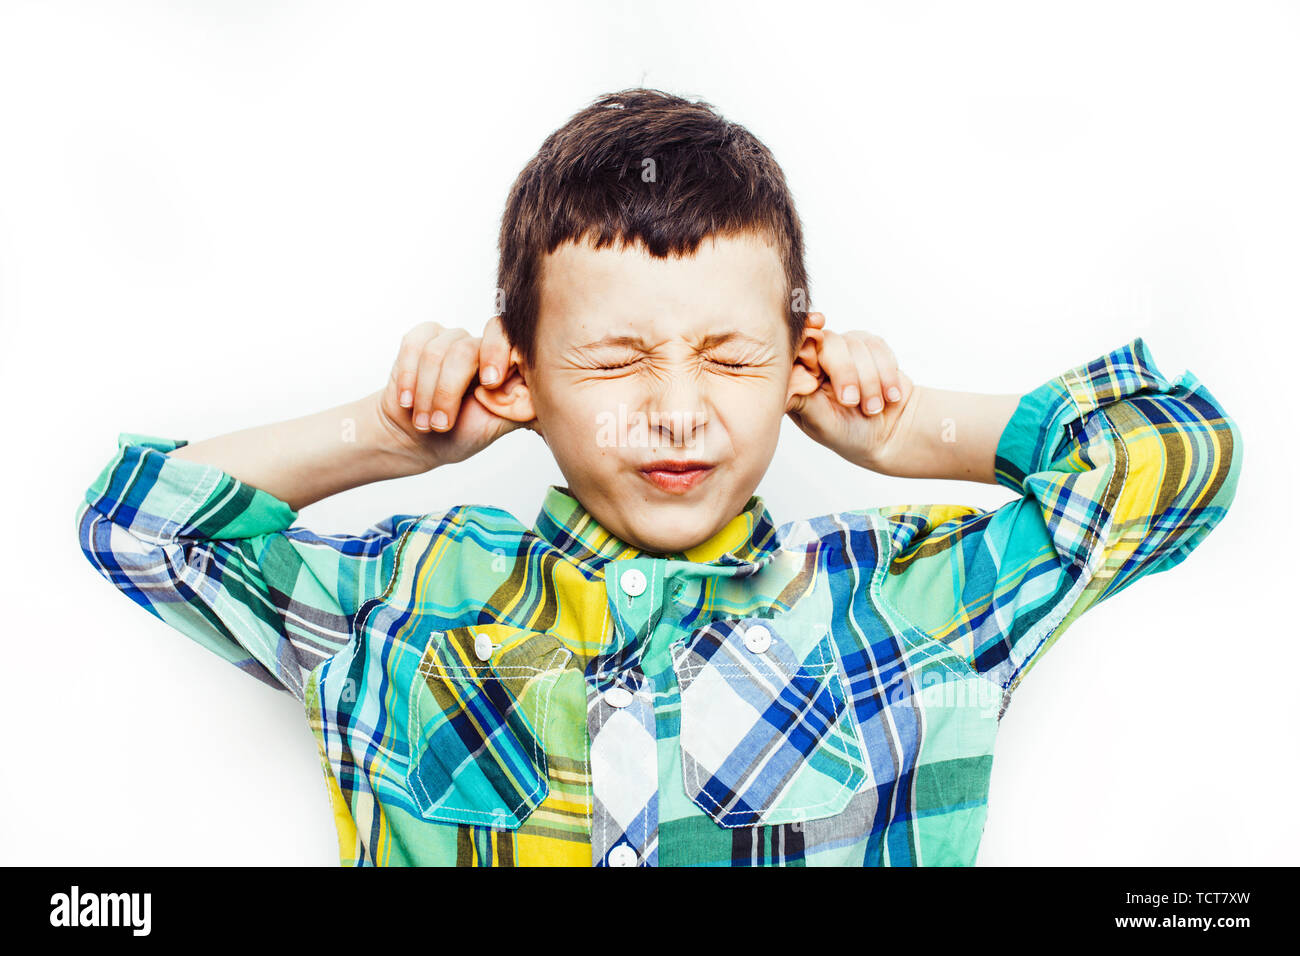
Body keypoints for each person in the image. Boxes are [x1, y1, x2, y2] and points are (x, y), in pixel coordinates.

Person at [74, 88, 1243, 866]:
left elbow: (1176, 457)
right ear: (519, 369)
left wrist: (910, 434)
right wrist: (388, 435)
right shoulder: (408, 595)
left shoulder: (905, 599)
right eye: (613, 358)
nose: (677, 411)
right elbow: (136, 524)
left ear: (798, 364)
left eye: (732, 358)